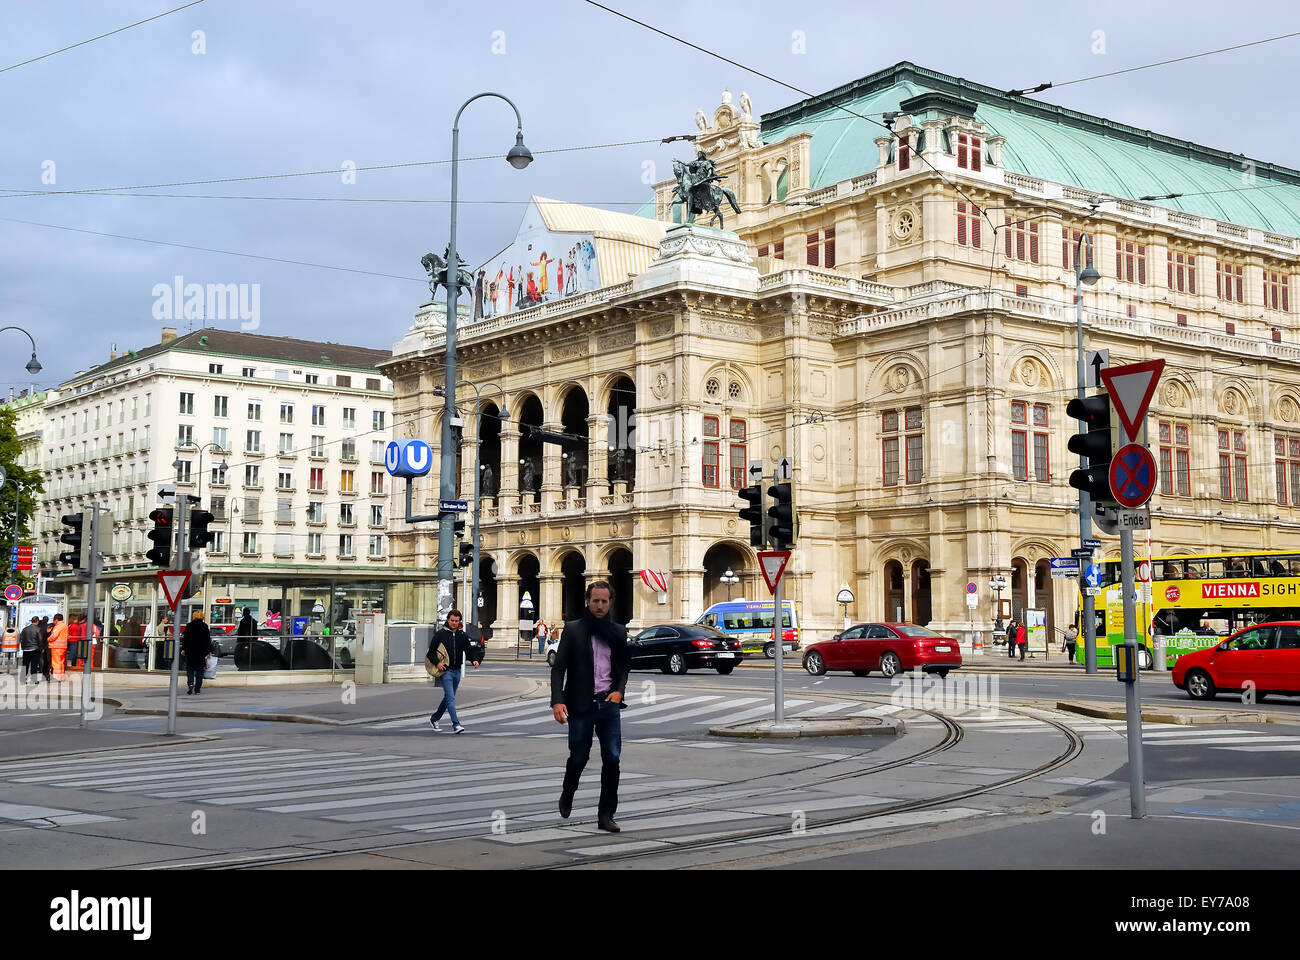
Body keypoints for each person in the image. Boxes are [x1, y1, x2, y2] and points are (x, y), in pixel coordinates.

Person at [551, 581, 629, 833]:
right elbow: (559, 667)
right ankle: (568, 790)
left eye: (604, 601)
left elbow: (624, 666)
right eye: (595, 600)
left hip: (608, 705)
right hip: (580, 705)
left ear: (610, 602)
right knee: (579, 757)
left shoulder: (617, 632)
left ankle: (606, 815)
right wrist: (557, 701)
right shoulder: (573, 630)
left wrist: (619, 691)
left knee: (613, 759)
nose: (600, 606)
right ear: (587, 600)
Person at [429, 610, 479, 732]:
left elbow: (468, 650)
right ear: (448, 620)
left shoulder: (462, 635)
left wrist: (474, 660)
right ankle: (456, 724)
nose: (454, 623)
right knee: (451, 698)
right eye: (452, 621)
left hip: (457, 671)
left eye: (457, 621)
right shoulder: (440, 634)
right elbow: (431, 653)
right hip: (445, 671)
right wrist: (438, 663)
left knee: (448, 698)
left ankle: (435, 718)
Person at [181, 610, 212, 695]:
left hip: (190, 651)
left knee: (190, 669)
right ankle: (197, 688)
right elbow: (207, 639)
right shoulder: (204, 626)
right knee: (199, 670)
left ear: (193, 616)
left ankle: (190, 684)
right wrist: (209, 650)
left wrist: (184, 649)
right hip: (201, 651)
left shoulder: (189, 626)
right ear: (202, 616)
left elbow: (185, 639)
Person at [19, 616, 43, 684]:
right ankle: (34, 679)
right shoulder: (38, 629)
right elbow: (40, 640)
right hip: (35, 649)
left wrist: (23, 647)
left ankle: (23, 679)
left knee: (25, 665)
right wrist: (40, 648)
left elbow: (21, 639)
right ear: (37, 621)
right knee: (34, 664)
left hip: (26, 649)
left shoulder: (25, 629)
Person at [48, 614, 68, 682]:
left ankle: (57, 677)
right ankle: (61, 676)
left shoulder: (58, 626)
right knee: (61, 662)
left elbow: (54, 636)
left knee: (56, 662)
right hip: (62, 647)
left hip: (57, 647)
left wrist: (48, 639)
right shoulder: (65, 625)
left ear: (56, 620)